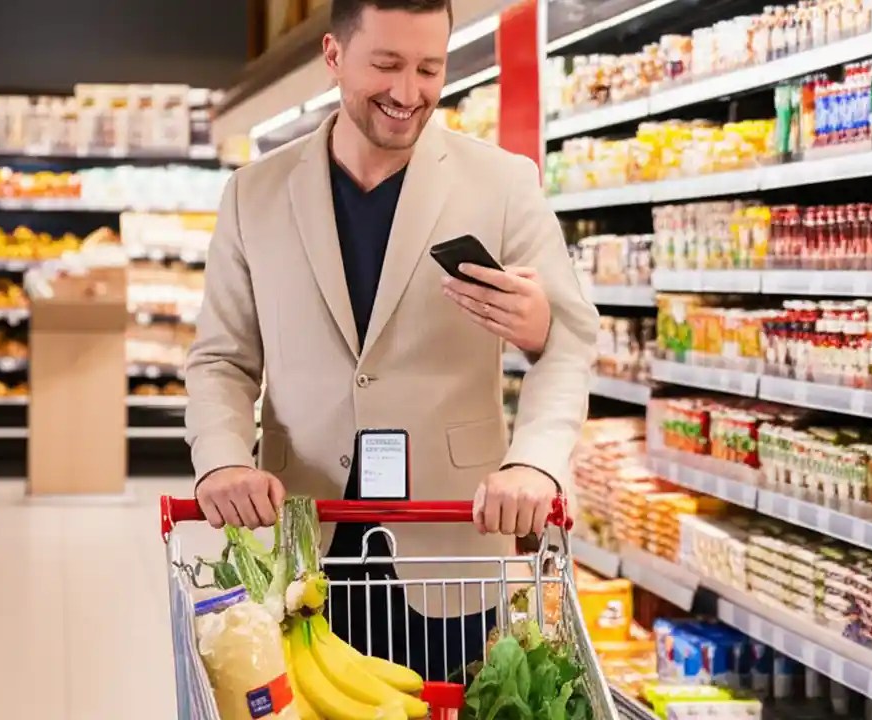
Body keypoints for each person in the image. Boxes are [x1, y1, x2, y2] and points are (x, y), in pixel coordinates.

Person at [185, 0, 598, 680]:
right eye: (386, 65)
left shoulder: (501, 184)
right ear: (333, 55)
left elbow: (570, 342)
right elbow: (222, 359)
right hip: (305, 536)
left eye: (428, 69)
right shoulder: (253, 194)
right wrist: (224, 458)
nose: (409, 93)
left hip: (454, 543)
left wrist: (535, 464)